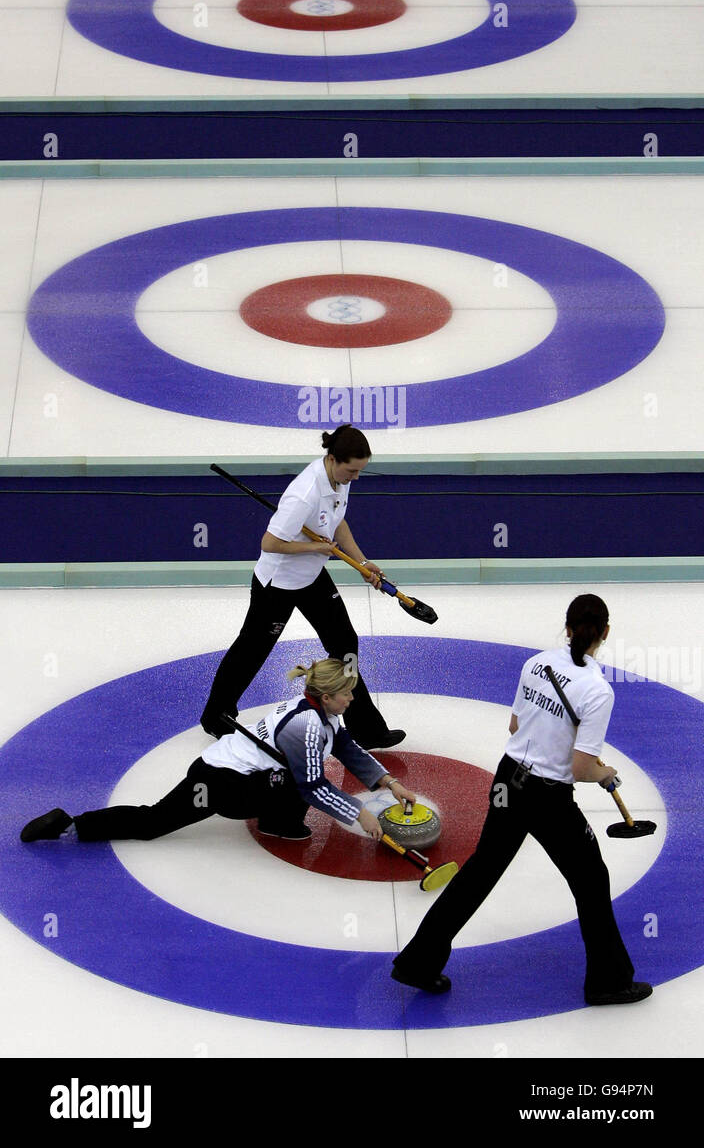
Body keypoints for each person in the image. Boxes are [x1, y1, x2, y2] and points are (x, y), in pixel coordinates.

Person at [391, 594, 653, 1006]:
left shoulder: (537, 664)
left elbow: (516, 723)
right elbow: (583, 768)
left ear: (566, 628)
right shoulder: (597, 690)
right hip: (548, 797)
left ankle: (418, 961)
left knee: (481, 870)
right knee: (591, 880)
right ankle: (607, 980)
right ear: (605, 633)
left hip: (508, 779)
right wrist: (605, 772)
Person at [20, 658, 415, 847]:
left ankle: (276, 820)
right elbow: (313, 786)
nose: (352, 698)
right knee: (153, 823)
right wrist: (358, 812)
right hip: (220, 784)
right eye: (348, 693)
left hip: (227, 772)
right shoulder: (305, 725)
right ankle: (70, 825)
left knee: (289, 777)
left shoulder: (320, 710)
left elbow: (345, 746)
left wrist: (388, 782)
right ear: (328, 696)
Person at [200, 425, 405, 749]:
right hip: (278, 585)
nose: (355, 477)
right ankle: (215, 715)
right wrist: (313, 548)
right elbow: (269, 543)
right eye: (352, 470)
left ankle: (367, 730)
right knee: (252, 650)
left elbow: (338, 520)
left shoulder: (339, 480)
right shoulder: (304, 493)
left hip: (311, 578)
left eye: (360, 471)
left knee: (344, 643)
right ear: (334, 459)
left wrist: (362, 563)